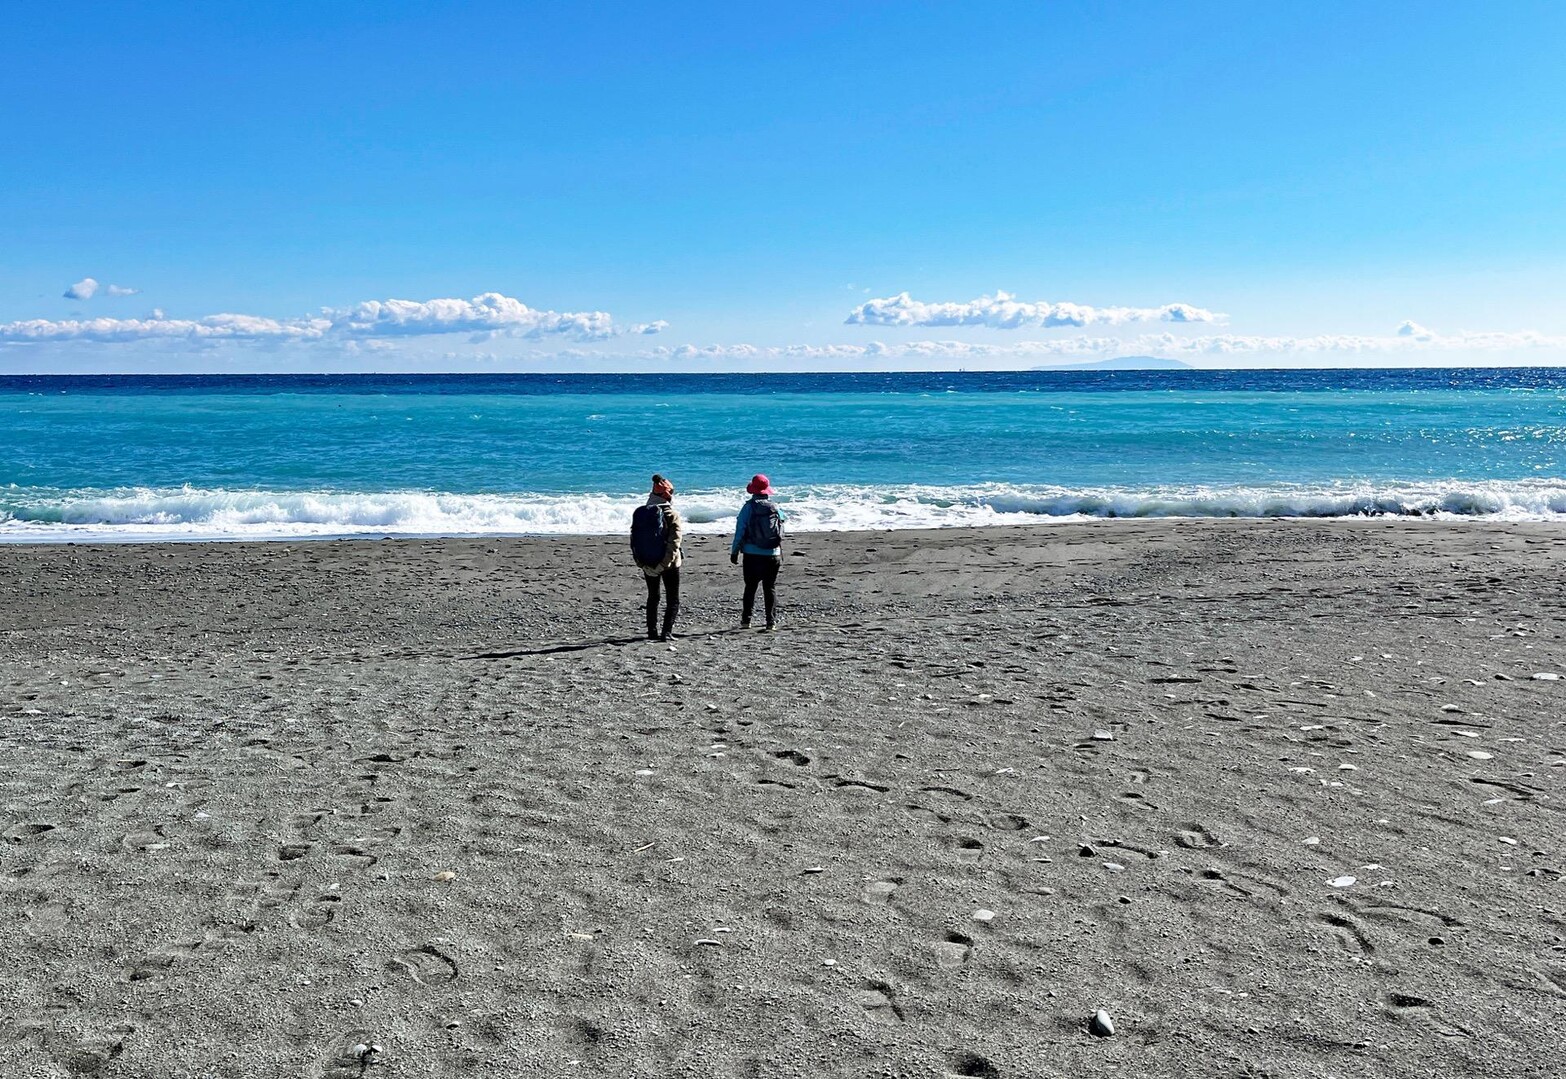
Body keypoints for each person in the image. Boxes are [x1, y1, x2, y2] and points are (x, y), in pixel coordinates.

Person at [630, 474, 684, 641]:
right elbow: (674, 542)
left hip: (647, 562)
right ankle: (666, 632)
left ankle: (651, 632)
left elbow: (634, 539)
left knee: (653, 597)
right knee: (672, 599)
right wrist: (664, 564)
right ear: (667, 495)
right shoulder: (671, 513)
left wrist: (641, 563)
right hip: (670, 564)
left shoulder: (642, 513)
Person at [730, 473, 785, 630]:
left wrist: (735, 551)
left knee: (750, 587)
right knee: (770, 587)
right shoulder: (775, 507)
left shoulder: (748, 508)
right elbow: (781, 527)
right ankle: (770, 622)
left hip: (752, 553)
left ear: (752, 490)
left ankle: (746, 620)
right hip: (773, 554)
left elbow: (740, 530)